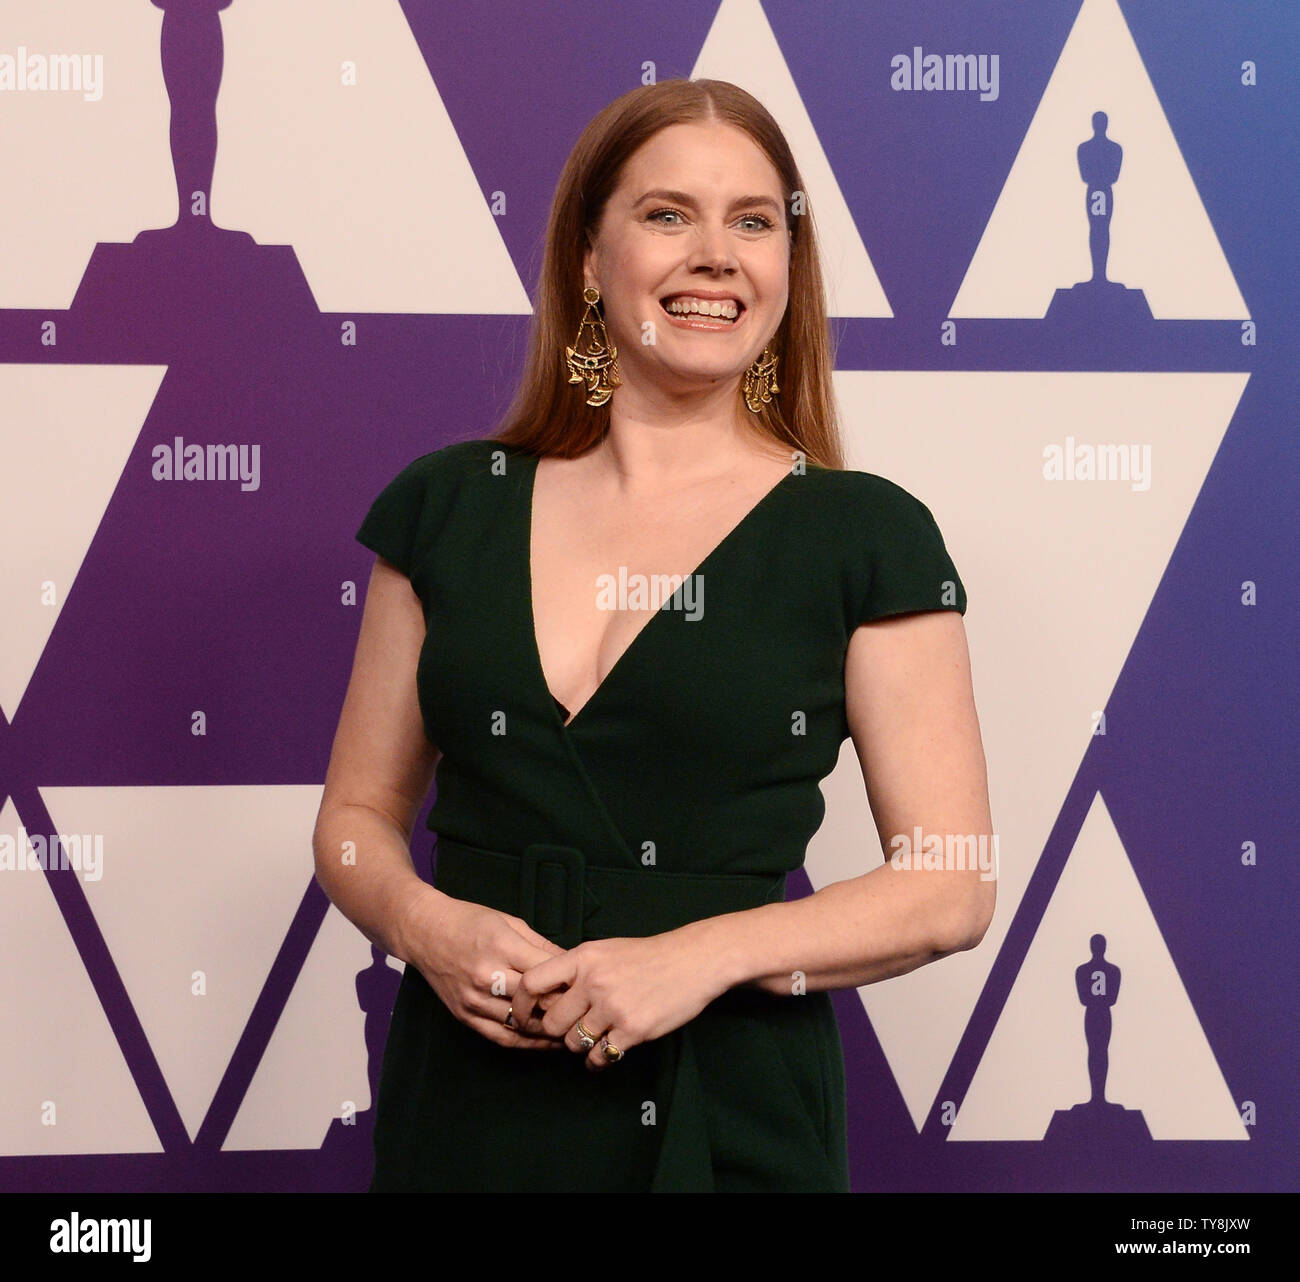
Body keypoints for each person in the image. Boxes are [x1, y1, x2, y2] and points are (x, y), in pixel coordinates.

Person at [313, 78, 995, 1193]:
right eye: (668, 214)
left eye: (754, 221)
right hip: (466, 1105)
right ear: (589, 259)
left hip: (724, 1110)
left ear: (788, 266)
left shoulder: (862, 534)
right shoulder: (446, 506)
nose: (716, 254)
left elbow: (951, 884)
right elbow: (354, 820)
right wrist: (426, 928)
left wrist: (700, 958)